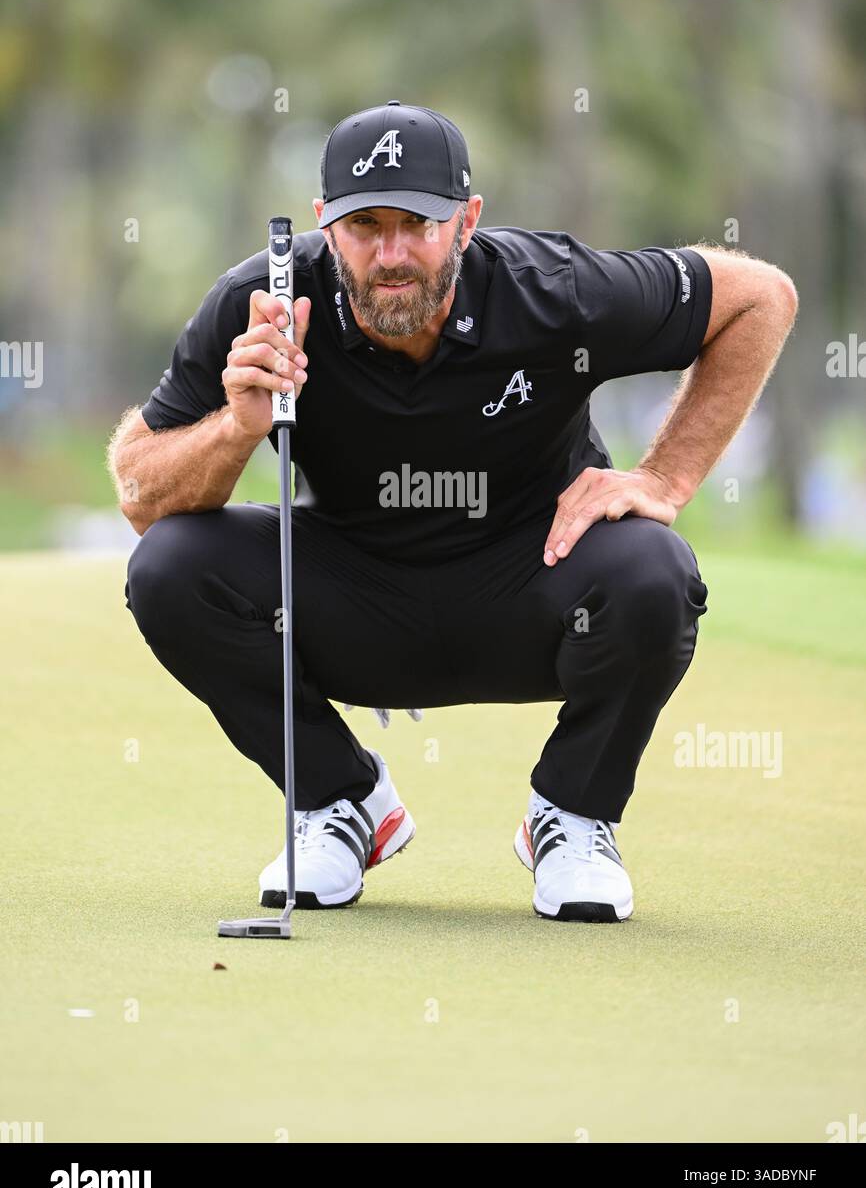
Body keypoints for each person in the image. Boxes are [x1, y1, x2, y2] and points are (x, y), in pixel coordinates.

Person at [108, 100, 798, 923]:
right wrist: (236, 427)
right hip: (352, 598)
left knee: (653, 567)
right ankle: (340, 800)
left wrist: (666, 478)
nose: (391, 254)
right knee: (170, 568)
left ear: (466, 221)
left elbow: (761, 298)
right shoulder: (263, 303)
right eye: (365, 226)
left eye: (419, 223)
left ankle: (572, 817)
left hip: (532, 590)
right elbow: (140, 494)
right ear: (325, 224)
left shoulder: (555, 292)